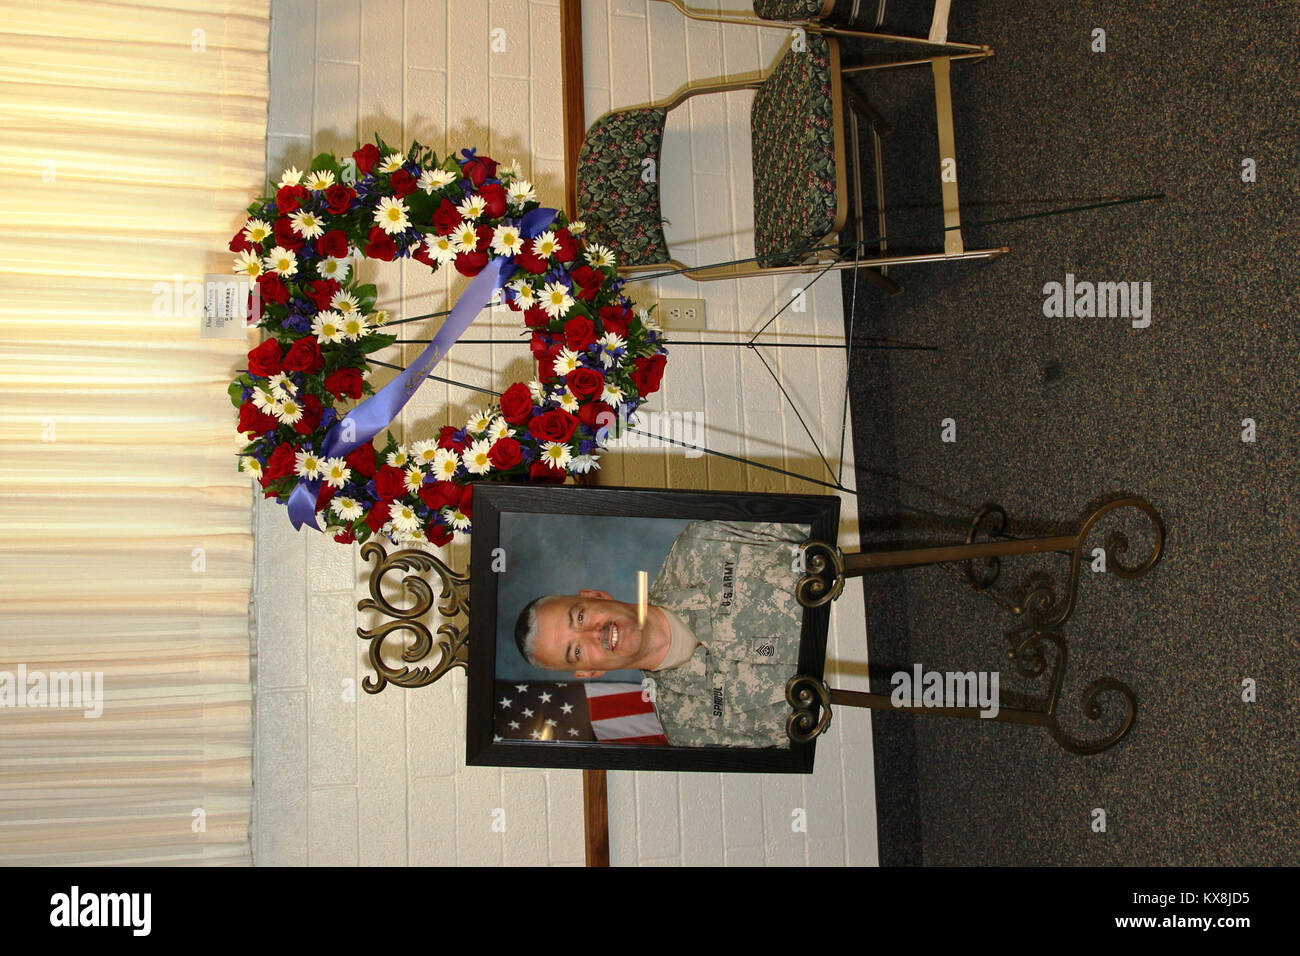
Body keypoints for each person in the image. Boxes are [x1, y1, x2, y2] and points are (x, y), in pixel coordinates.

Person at [514, 520, 811, 748]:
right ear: (590, 671)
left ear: (597, 596)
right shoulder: (690, 728)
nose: (594, 633)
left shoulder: (703, 545)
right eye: (576, 651)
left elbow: (821, 534)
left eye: (580, 617)